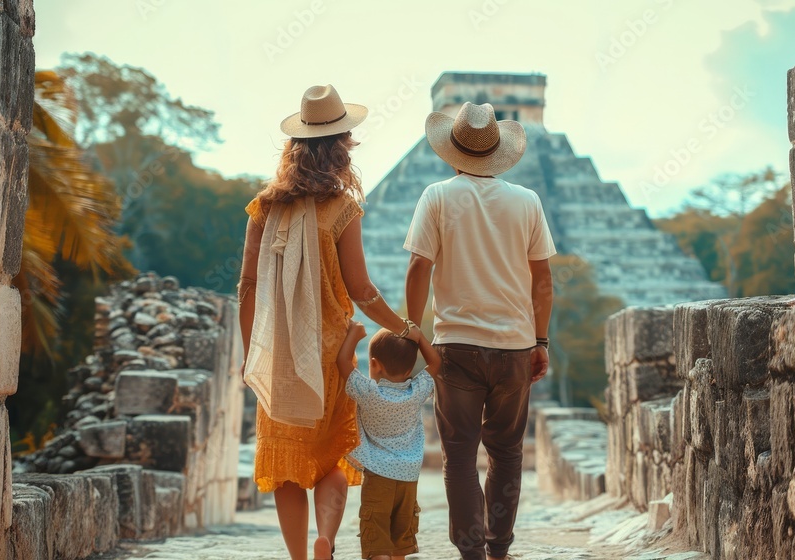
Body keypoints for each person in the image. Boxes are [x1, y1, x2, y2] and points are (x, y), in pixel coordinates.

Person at [237, 84, 423, 560]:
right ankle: (325, 537)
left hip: (278, 356)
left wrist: (251, 355)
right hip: (331, 357)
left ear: (294, 146)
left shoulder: (263, 208)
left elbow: (248, 288)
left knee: (285, 468)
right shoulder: (343, 209)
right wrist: (404, 327)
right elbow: (362, 291)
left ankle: (300, 557)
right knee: (330, 460)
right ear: (341, 147)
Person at [403, 102, 556, 560]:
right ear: (498, 153)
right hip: (515, 346)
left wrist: (414, 334)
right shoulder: (527, 200)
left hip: (456, 347)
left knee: (460, 456)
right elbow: (543, 280)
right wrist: (541, 340)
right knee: (507, 453)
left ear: (453, 153)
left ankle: (470, 552)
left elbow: (418, 267)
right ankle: (499, 549)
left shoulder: (437, 196)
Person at [335, 319, 441, 560]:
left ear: (374, 364)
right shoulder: (417, 391)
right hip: (409, 476)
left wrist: (354, 334)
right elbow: (436, 362)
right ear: (409, 370)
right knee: (400, 538)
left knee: (377, 534)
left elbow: (342, 363)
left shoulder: (369, 393)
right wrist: (419, 338)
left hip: (378, 474)